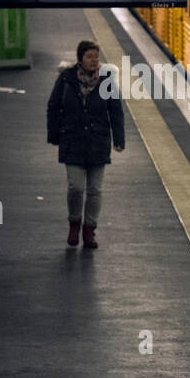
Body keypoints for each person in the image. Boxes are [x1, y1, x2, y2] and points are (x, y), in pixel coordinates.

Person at [46, 40, 125, 248]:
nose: (94, 60)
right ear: (80, 58)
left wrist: (119, 140)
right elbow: (53, 106)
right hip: (72, 141)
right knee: (75, 187)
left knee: (95, 190)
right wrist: (54, 135)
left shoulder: (106, 81)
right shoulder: (66, 79)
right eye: (90, 56)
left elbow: (116, 110)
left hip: (98, 141)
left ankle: (89, 230)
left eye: (96, 57)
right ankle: (74, 224)